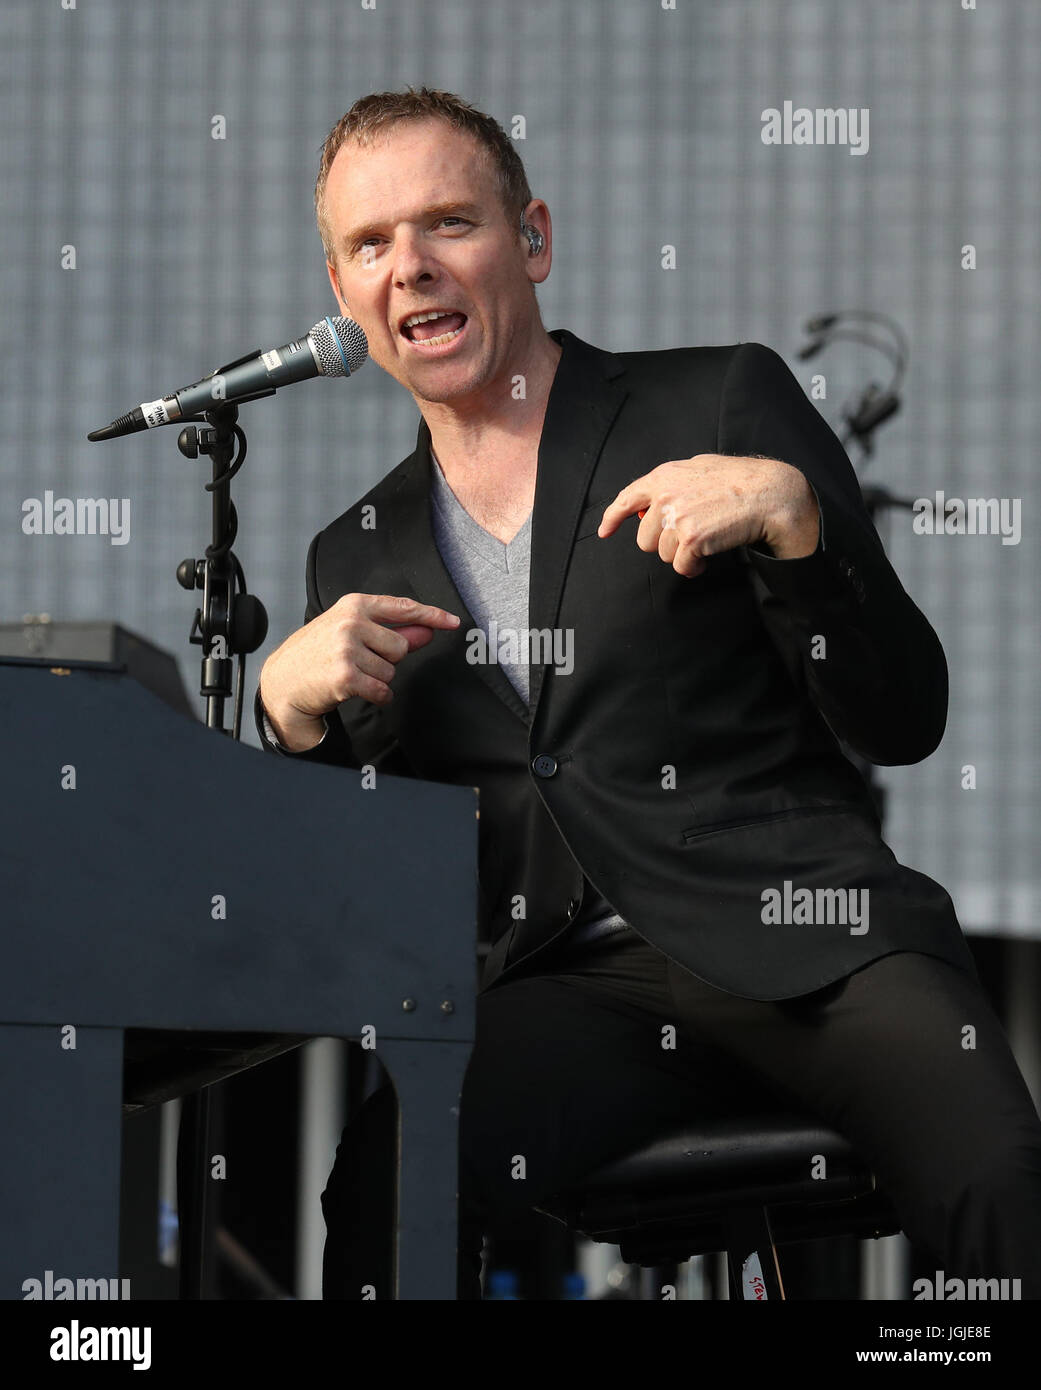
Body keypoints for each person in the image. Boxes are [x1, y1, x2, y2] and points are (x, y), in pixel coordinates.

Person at [256, 87, 1041, 1300]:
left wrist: (797, 524)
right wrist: (289, 724)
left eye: (448, 223)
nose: (409, 267)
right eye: (371, 244)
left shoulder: (715, 402)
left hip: (806, 936)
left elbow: (904, 715)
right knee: (389, 1177)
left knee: (1002, 1180)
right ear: (343, 291)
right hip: (578, 995)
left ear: (534, 240)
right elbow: (351, 910)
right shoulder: (352, 552)